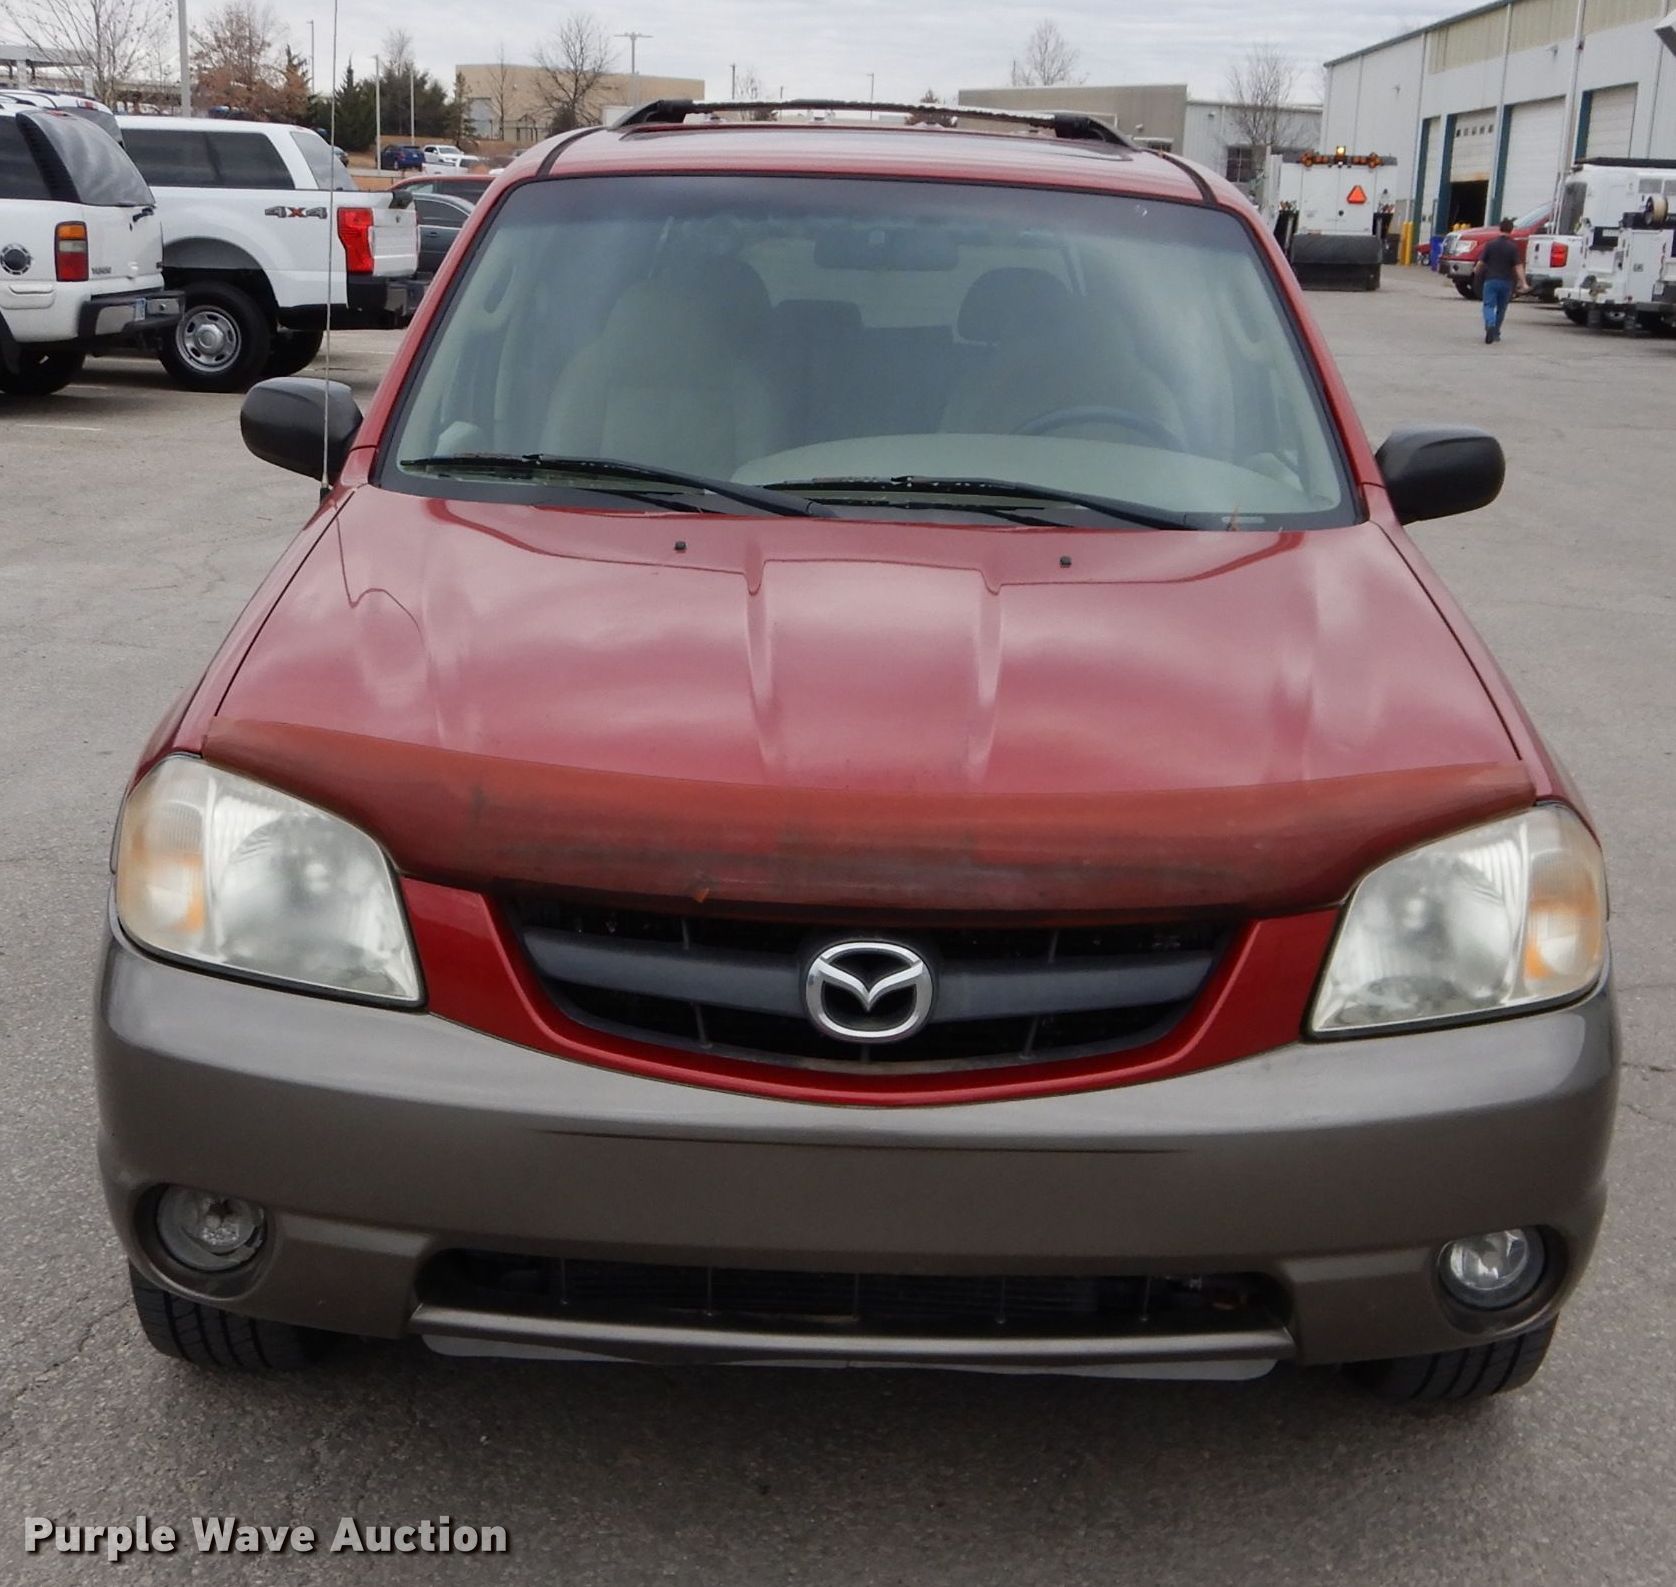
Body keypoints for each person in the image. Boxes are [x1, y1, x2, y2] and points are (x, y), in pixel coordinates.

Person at [1475, 218, 1526, 344]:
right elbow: (1518, 266)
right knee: (1502, 308)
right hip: (1506, 282)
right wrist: (1523, 282)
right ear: (1511, 230)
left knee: (1488, 305)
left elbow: (1481, 262)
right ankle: (1496, 332)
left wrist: (1476, 271)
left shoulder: (1490, 244)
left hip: (1491, 280)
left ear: (1500, 228)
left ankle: (1490, 324)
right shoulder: (1512, 247)